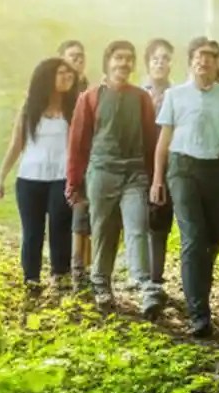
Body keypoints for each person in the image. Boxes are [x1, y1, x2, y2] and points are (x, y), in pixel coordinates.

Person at [151, 37, 219, 337]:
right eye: (199, 57)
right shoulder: (175, 95)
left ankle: (198, 281)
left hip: (216, 169)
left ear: (217, 63)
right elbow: (163, 141)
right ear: (191, 61)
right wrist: (157, 179)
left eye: (210, 57)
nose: (204, 61)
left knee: (218, 232)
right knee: (193, 237)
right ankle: (199, 315)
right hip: (183, 169)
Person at [66, 40, 164, 318]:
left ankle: (145, 287)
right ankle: (101, 283)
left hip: (134, 173)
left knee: (137, 226)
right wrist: (74, 182)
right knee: (104, 230)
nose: (123, 64)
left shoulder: (141, 97)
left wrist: (155, 178)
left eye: (128, 59)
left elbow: (151, 140)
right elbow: (78, 143)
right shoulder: (91, 97)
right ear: (108, 61)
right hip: (101, 171)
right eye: (118, 58)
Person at [0, 57, 78, 291]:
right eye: (62, 73)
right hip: (30, 178)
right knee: (32, 231)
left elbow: (77, 146)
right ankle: (31, 278)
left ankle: (59, 276)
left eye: (69, 74)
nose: (67, 78)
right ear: (48, 77)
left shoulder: (73, 108)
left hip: (62, 177)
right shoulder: (29, 108)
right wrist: (1, 177)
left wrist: (79, 178)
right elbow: (15, 145)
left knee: (60, 228)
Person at [141, 38, 175, 299]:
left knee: (160, 219)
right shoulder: (136, 93)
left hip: (167, 164)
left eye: (165, 58)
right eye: (156, 58)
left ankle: (155, 277)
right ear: (148, 62)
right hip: (137, 162)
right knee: (135, 218)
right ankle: (138, 275)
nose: (160, 63)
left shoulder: (178, 94)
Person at [58, 40, 92, 289]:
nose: (77, 61)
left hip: (85, 156)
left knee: (84, 212)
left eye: (80, 57)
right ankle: (64, 267)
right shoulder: (54, 90)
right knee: (62, 216)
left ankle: (82, 267)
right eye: (72, 57)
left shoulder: (90, 90)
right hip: (57, 158)